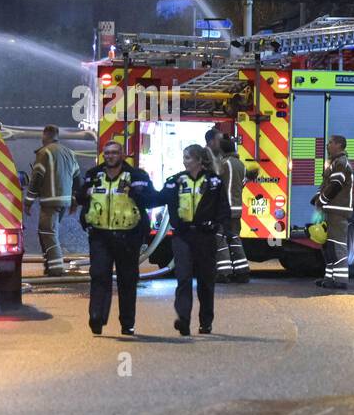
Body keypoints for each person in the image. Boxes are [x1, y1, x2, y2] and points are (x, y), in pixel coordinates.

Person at [76, 140, 156, 336]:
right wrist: (84, 194)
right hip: (100, 236)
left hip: (128, 237)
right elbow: (80, 197)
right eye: (107, 153)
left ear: (122, 155)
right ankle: (97, 317)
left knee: (127, 280)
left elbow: (152, 199)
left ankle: (127, 323)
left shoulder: (137, 176)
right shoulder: (94, 175)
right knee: (99, 275)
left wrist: (138, 192)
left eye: (114, 153)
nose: (110, 156)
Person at [157, 145, 225, 336]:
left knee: (205, 281)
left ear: (198, 160)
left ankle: (205, 322)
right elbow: (158, 198)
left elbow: (223, 208)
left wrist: (220, 228)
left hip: (205, 236)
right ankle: (184, 320)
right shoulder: (176, 181)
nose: (184, 161)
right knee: (183, 278)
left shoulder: (214, 181)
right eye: (184, 157)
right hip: (183, 236)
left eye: (187, 158)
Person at [24, 124, 81, 276]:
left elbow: (36, 179)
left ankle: (55, 269)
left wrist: (28, 201)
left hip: (50, 201)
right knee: (49, 232)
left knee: (48, 233)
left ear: (45, 136)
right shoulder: (69, 152)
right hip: (64, 201)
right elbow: (77, 179)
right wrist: (74, 200)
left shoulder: (44, 153)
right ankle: (49, 265)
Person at [311, 134, 354, 290]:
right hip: (331, 209)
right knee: (329, 247)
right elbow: (326, 184)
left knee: (337, 245)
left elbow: (335, 185)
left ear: (339, 145)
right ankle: (329, 278)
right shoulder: (334, 163)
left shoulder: (341, 163)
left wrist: (321, 200)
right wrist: (316, 197)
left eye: (331, 143)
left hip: (338, 210)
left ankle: (341, 280)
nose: (328, 145)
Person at [215, 134, 251, 283]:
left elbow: (217, 184)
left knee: (219, 238)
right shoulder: (240, 164)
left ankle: (223, 272)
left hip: (226, 209)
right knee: (234, 238)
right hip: (236, 208)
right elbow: (242, 184)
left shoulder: (225, 164)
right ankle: (242, 271)